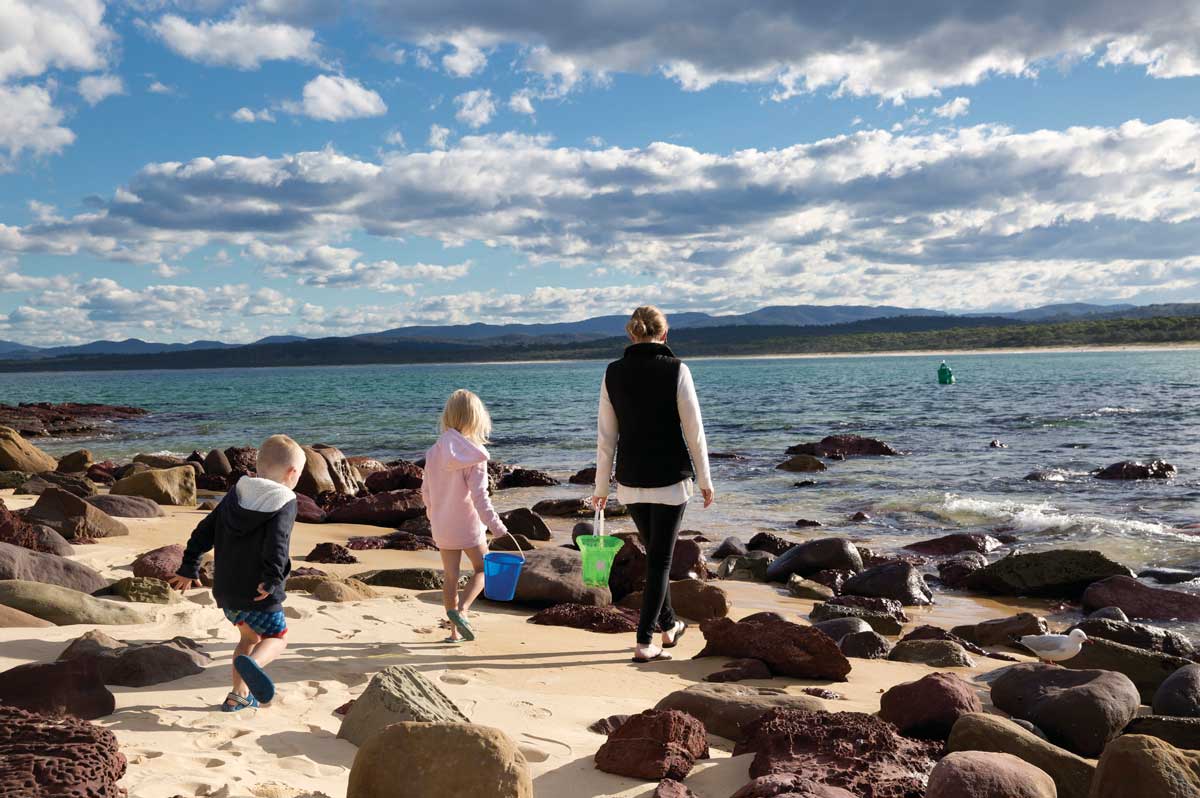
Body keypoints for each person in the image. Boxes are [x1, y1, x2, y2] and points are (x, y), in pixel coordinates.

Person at [593, 305, 714, 663]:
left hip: (630, 481)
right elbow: (694, 431)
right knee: (660, 560)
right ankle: (645, 641)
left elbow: (606, 438)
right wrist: (705, 478)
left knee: (656, 555)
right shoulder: (677, 369)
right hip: (670, 480)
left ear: (631, 334)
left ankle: (670, 624)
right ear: (664, 334)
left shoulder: (613, 372)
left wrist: (601, 488)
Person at [168, 434, 304, 712]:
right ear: (292, 473)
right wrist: (272, 579)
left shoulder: (237, 492)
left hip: (227, 591)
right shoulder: (285, 500)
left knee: (248, 639)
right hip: (259, 591)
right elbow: (278, 543)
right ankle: (254, 664)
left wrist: (189, 566)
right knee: (277, 638)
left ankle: (238, 696)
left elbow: (204, 530)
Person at [422, 389, 509, 643]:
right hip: (468, 526)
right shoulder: (475, 454)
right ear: (477, 418)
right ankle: (463, 611)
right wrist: (497, 527)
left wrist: (433, 515)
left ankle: (453, 633)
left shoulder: (434, 452)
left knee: (450, 577)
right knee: (483, 570)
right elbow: (480, 498)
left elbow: (426, 491)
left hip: (442, 525)